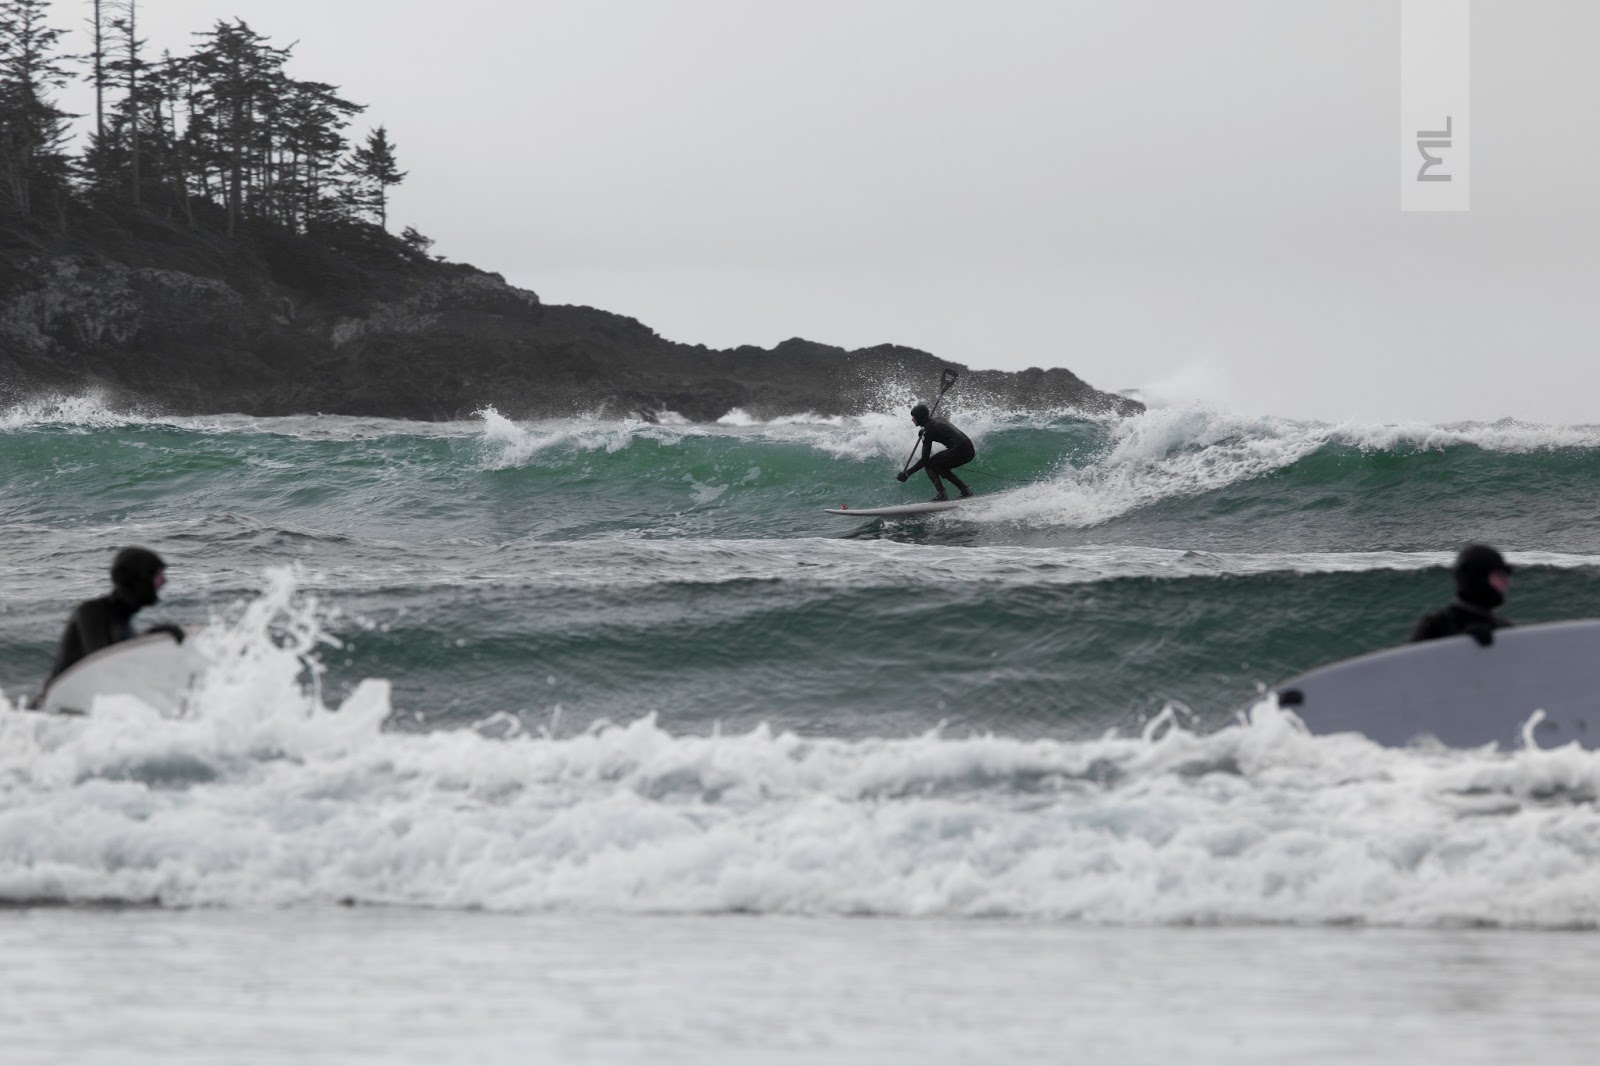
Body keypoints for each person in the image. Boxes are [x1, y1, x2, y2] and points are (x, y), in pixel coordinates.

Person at [44, 546, 184, 690]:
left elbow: (115, 657)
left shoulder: (121, 621)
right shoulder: (92, 613)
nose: (163, 582)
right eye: (158, 575)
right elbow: (102, 663)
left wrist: (153, 639)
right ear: (140, 579)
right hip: (46, 710)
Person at [1410, 543, 1514, 646]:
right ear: (1476, 579)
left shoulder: (1504, 628)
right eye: (1499, 576)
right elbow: (1412, 661)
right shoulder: (1435, 627)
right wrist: (1462, 643)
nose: (1507, 583)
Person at [896, 403, 976, 501]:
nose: (912, 419)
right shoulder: (938, 419)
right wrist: (924, 429)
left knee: (929, 464)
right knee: (938, 466)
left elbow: (925, 460)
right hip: (969, 448)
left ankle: (942, 494)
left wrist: (907, 473)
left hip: (959, 451)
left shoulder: (929, 431)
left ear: (920, 418)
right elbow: (936, 428)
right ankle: (965, 490)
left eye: (914, 417)